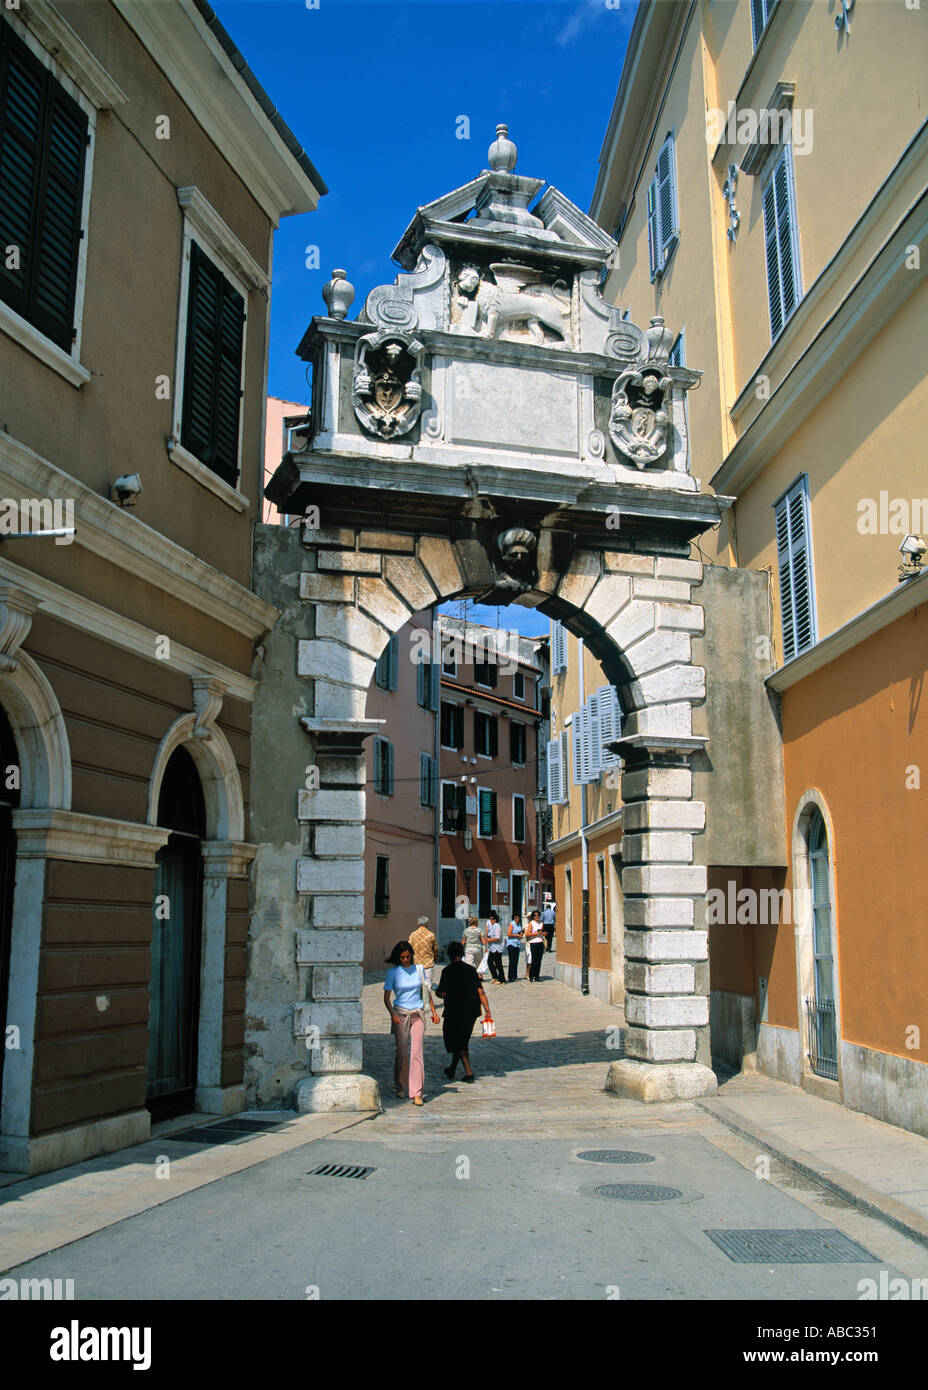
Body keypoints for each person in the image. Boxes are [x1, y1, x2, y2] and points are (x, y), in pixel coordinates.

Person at [383, 940, 438, 1105]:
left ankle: (416, 1092)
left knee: (417, 1052)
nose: (405, 960)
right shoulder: (393, 973)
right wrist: (392, 1014)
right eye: (402, 957)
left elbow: (425, 992)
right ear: (397, 958)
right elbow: (386, 998)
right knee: (402, 1052)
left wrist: (434, 1012)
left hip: (417, 1013)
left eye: (408, 956)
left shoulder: (419, 969)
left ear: (411, 956)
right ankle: (400, 1085)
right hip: (400, 1014)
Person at [436, 941, 492, 1083]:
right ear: (461, 953)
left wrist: (436, 991)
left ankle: (468, 1072)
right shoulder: (471, 970)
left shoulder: (447, 971)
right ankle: (452, 1069)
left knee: (457, 1040)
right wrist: (488, 1011)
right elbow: (481, 992)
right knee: (462, 1039)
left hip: (454, 1010)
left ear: (449, 955)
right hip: (472, 1010)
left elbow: (442, 993)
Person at [408, 914, 438, 988]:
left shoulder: (413, 935)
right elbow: (436, 948)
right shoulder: (431, 935)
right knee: (428, 987)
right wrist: (435, 958)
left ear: (418, 924)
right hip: (428, 964)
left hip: (416, 964)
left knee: (417, 986)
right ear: (427, 924)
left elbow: (409, 948)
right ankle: (426, 999)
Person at [485, 910, 506, 984]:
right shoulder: (492, 925)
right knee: (489, 962)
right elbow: (488, 932)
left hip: (497, 947)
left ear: (495, 919)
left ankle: (502, 979)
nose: (491, 920)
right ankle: (495, 976)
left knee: (498, 963)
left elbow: (497, 937)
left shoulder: (497, 926)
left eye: (492, 919)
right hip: (492, 947)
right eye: (490, 919)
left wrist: (490, 940)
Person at [526, 910, 545, 982]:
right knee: (534, 960)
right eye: (535, 915)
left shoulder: (541, 923)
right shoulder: (532, 923)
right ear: (533, 917)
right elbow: (528, 934)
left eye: (538, 915)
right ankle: (531, 976)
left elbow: (544, 932)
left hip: (540, 942)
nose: (537, 917)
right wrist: (537, 933)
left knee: (539, 960)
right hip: (533, 943)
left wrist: (543, 933)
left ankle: (537, 976)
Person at [507, 914, 524, 982]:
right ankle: (511, 976)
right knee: (512, 961)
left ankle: (515, 976)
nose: (518, 920)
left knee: (516, 961)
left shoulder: (519, 924)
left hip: (517, 944)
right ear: (514, 918)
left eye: (519, 919)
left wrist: (521, 933)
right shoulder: (512, 924)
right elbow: (509, 933)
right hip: (511, 944)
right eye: (517, 919)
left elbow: (519, 933)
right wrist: (517, 935)